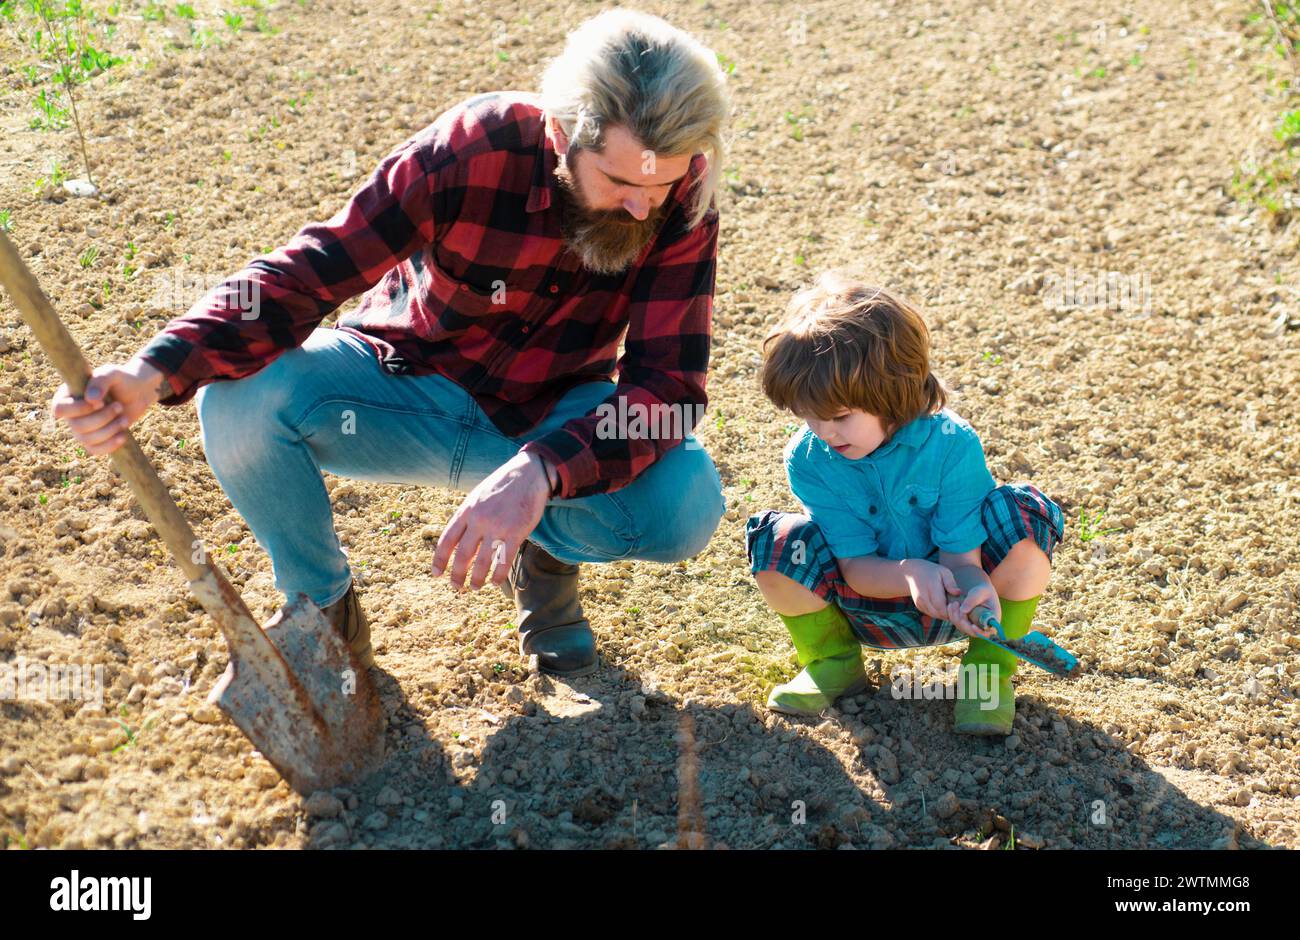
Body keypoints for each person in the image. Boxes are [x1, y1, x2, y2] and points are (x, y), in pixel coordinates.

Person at [48, 9, 731, 678]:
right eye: (618, 183)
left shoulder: (679, 193)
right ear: (560, 132)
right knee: (241, 403)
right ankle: (326, 617)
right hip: (399, 388)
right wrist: (155, 369)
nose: (644, 207)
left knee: (685, 502)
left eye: (659, 186)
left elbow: (666, 388)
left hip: (547, 419)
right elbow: (313, 268)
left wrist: (541, 473)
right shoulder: (474, 148)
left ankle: (543, 555)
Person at [744, 270, 1065, 734]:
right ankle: (833, 662)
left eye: (838, 417)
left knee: (1021, 518)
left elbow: (961, 557)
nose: (823, 432)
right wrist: (911, 572)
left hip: (956, 608)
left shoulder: (951, 442)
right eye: (809, 416)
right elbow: (854, 566)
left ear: (890, 393)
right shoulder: (810, 459)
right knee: (778, 545)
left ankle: (988, 671)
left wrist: (973, 589)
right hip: (867, 606)